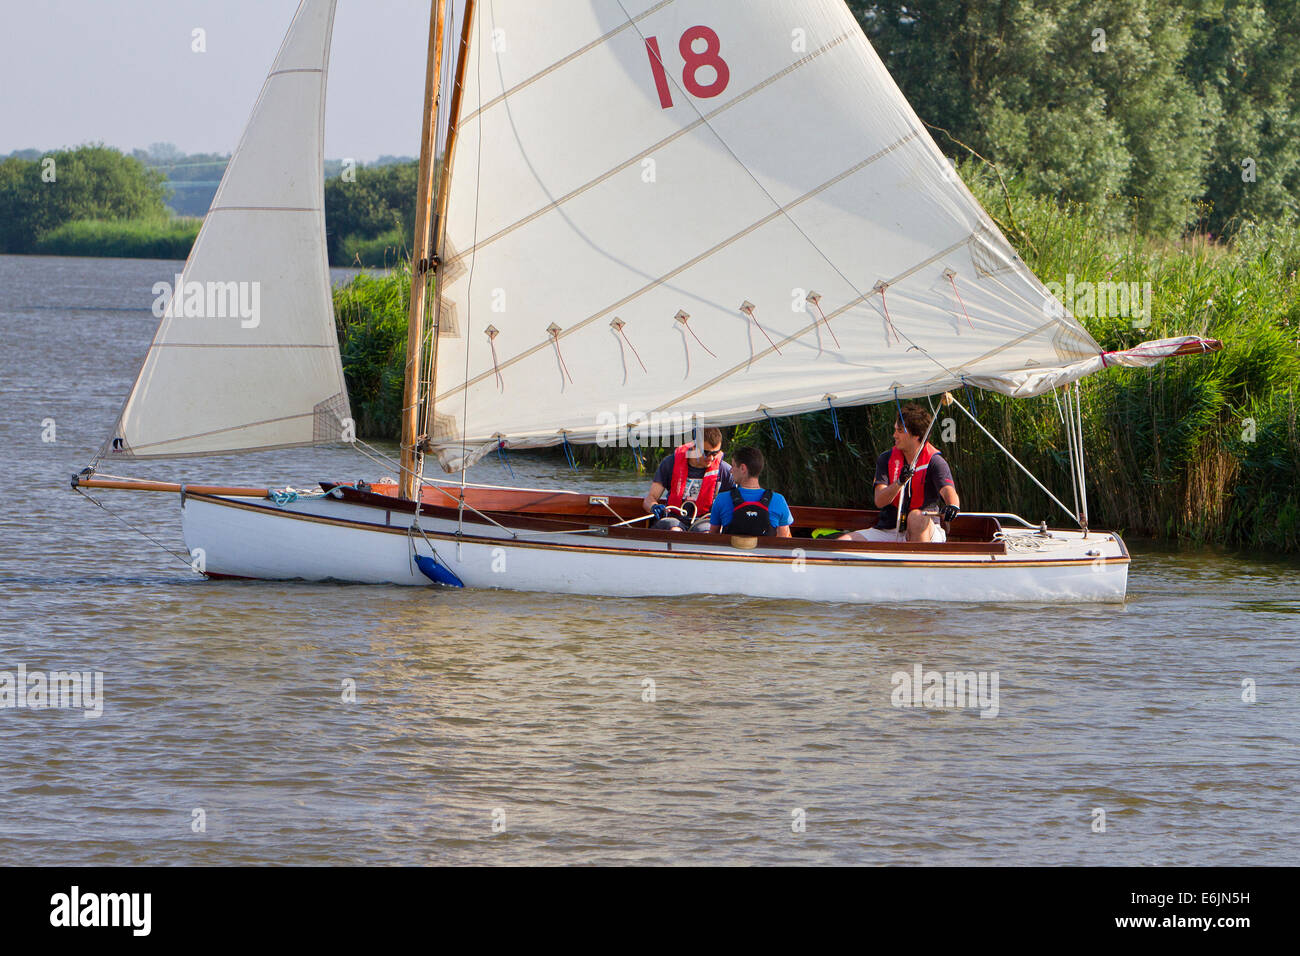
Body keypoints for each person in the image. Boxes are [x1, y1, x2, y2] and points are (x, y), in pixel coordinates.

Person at [840, 402, 959, 543]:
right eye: (895, 429)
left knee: (916, 517)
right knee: (843, 542)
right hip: (889, 529)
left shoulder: (935, 461)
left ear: (916, 435)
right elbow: (879, 500)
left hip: (927, 529)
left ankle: (918, 563)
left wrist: (953, 506)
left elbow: (948, 491)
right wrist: (899, 482)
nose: (894, 435)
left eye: (900, 431)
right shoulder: (886, 459)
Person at [642, 427, 734, 531]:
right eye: (706, 453)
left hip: (704, 521)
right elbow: (649, 499)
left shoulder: (725, 471)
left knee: (706, 533)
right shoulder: (670, 463)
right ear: (694, 447)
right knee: (675, 530)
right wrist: (654, 507)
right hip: (674, 518)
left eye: (715, 453)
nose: (711, 458)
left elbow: (733, 504)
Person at [708, 446, 793, 537]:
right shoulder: (778, 500)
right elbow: (783, 540)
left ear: (743, 468)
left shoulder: (722, 499)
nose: (731, 471)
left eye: (733, 466)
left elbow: (713, 537)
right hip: (764, 551)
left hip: (732, 550)